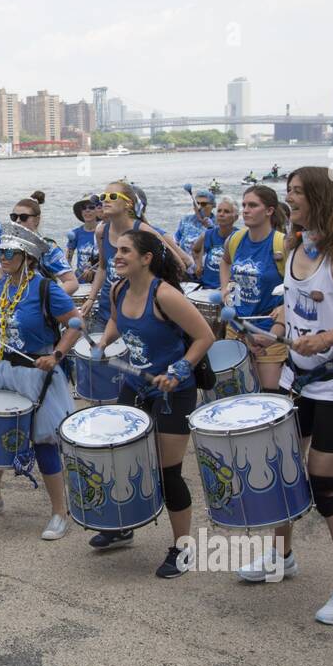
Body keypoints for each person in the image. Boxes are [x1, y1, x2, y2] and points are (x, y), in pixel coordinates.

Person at [236, 167, 333, 627]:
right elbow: (293, 301)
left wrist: (326, 340)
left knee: (327, 488)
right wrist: (277, 332)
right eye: (287, 192)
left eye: (297, 193)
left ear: (321, 198)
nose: (290, 199)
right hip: (295, 378)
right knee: (283, 471)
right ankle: (280, 557)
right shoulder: (296, 243)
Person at [87, 230, 215, 573]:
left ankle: (182, 548)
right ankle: (124, 526)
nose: (117, 255)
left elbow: (206, 336)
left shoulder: (167, 295)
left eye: (126, 251)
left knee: (167, 471)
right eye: (116, 250)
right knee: (124, 458)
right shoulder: (118, 288)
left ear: (146, 258)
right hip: (135, 383)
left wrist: (179, 369)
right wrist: (102, 343)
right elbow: (116, 320)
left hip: (174, 390)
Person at [0, 224, 84, 540]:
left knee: (44, 442)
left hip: (38, 374)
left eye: (8, 253)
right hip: (3, 370)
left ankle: (60, 511)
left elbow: (75, 323)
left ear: (27, 257)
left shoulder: (46, 288)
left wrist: (56, 355)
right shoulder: (2, 287)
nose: (1, 257)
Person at [79, 179, 175, 333]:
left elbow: (174, 264)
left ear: (128, 204)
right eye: (103, 197)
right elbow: (103, 267)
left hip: (138, 313)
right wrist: (91, 298)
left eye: (113, 196)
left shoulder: (143, 231)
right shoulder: (101, 231)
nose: (106, 200)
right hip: (106, 310)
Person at [218, 185, 288, 391]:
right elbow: (225, 262)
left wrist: (284, 305)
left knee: (269, 393)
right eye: (244, 205)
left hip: (268, 327)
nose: (246, 210)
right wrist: (225, 288)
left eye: (253, 205)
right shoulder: (235, 239)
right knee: (236, 391)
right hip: (237, 326)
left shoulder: (282, 244)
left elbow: (300, 283)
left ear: (269, 211)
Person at [0, 192, 78, 294]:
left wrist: (46, 301)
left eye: (23, 217)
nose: (18, 221)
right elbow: (3, 272)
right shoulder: (7, 244)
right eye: (14, 217)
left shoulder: (48, 247)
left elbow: (72, 283)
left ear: (37, 220)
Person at [192, 197, 237, 291]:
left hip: (229, 289)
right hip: (206, 287)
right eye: (219, 211)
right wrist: (198, 264)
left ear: (235, 217)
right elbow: (195, 250)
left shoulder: (240, 237)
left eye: (226, 211)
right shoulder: (208, 234)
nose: (221, 214)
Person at [175, 190, 216, 277]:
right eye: (196, 203)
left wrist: (211, 228)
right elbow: (175, 243)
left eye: (204, 204)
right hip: (184, 270)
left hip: (206, 272)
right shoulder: (186, 220)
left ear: (213, 206)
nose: (199, 207)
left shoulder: (218, 224)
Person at [66, 196, 101, 281]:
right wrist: (70, 278)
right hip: (80, 279)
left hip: (99, 279)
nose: (87, 210)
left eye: (91, 207)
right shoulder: (75, 233)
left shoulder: (105, 232)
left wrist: (94, 271)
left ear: (98, 210)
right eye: (84, 208)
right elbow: (68, 259)